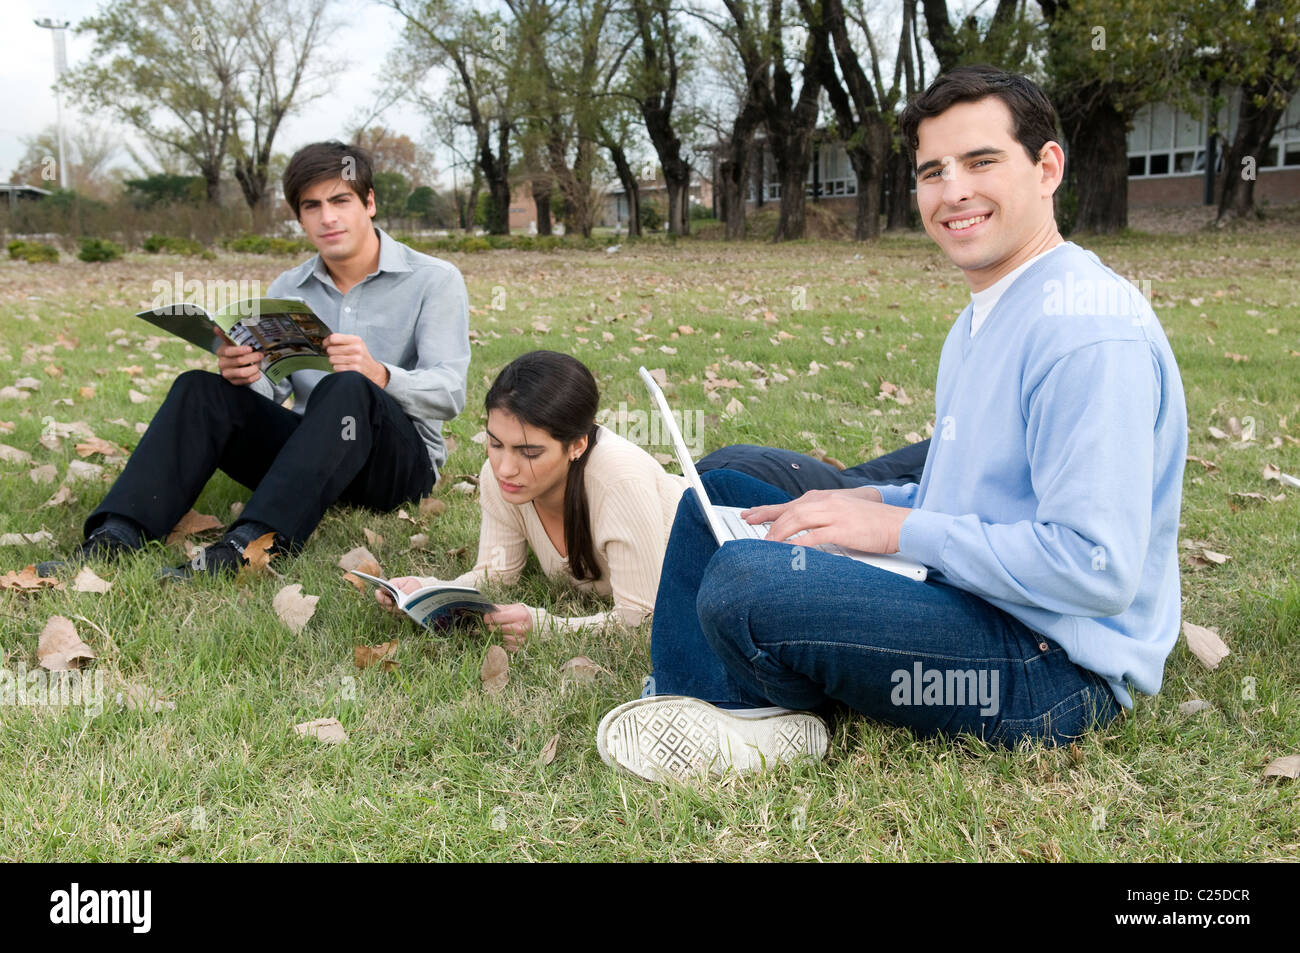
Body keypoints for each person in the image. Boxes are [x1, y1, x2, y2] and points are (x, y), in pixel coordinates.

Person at [596, 66, 1188, 783]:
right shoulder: (987, 313)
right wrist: (864, 503)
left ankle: (753, 717)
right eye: (933, 170)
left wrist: (896, 532)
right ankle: (708, 706)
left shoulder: (1088, 332)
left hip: (1053, 669)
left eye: (981, 162)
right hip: (973, 600)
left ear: (1047, 168)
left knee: (745, 580)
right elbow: (975, 497)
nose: (953, 191)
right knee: (717, 497)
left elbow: (1097, 568)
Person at [37, 141, 470, 579]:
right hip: (310, 458)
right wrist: (244, 375)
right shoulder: (289, 286)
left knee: (348, 386)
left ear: (369, 202)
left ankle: (248, 547)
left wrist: (378, 373)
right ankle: (116, 536)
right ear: (299, 217)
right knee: (199, 388)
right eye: (312, 206)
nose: (328, 217)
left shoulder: (434, 280)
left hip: (394, 469)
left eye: (340, 200)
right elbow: (275, 385)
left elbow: (450, 393)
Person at [381, 351, 686, 650]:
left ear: (577, 444)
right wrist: (430, 592)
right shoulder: (499, 477)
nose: (504, 468)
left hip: (718, 512)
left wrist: (548, 627)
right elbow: (497, 574)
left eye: (529, 452)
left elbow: (642, 619)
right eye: (495, 443)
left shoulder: (620, 483)